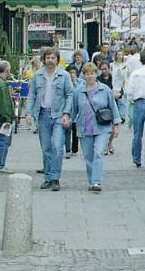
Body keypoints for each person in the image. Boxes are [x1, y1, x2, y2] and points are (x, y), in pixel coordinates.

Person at [26, 47, 74, 191]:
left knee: (57, 146)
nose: (50, 60)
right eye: (48, 58)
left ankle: (55, 178)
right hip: (43, 114)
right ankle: (47, 178)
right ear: (44, 59)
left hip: (58, 114)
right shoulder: (37, 76)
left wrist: (66, 113)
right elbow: (32, 95)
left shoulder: (64, 75)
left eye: (53, 58)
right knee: (46, 148)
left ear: (57, 60)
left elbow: (70, 94)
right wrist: (28, 113)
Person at [71, 63, 121, 192]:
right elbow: (73, 110)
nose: (90, 76)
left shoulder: (105, 90)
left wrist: (116, 124)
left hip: (101, 127)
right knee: (88, 156)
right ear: (84, 75)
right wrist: (68, 120)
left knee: (98, 152)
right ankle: (91, 180)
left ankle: (96, 181)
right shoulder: (78, 91)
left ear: (96, 74)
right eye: (87, 74)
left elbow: (113, 107)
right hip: (84, 128)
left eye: (92, 73)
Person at [66, 66, 82, 158]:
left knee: (75, 131)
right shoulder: (65, 81)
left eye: (74, 73)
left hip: (77, 111)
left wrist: (75, 83)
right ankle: (67, 149)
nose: (72, 75)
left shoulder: (80, 82)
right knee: (67, 131)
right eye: (70, 72)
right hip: (67, 110)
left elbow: (80, 93)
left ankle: (74, 149)